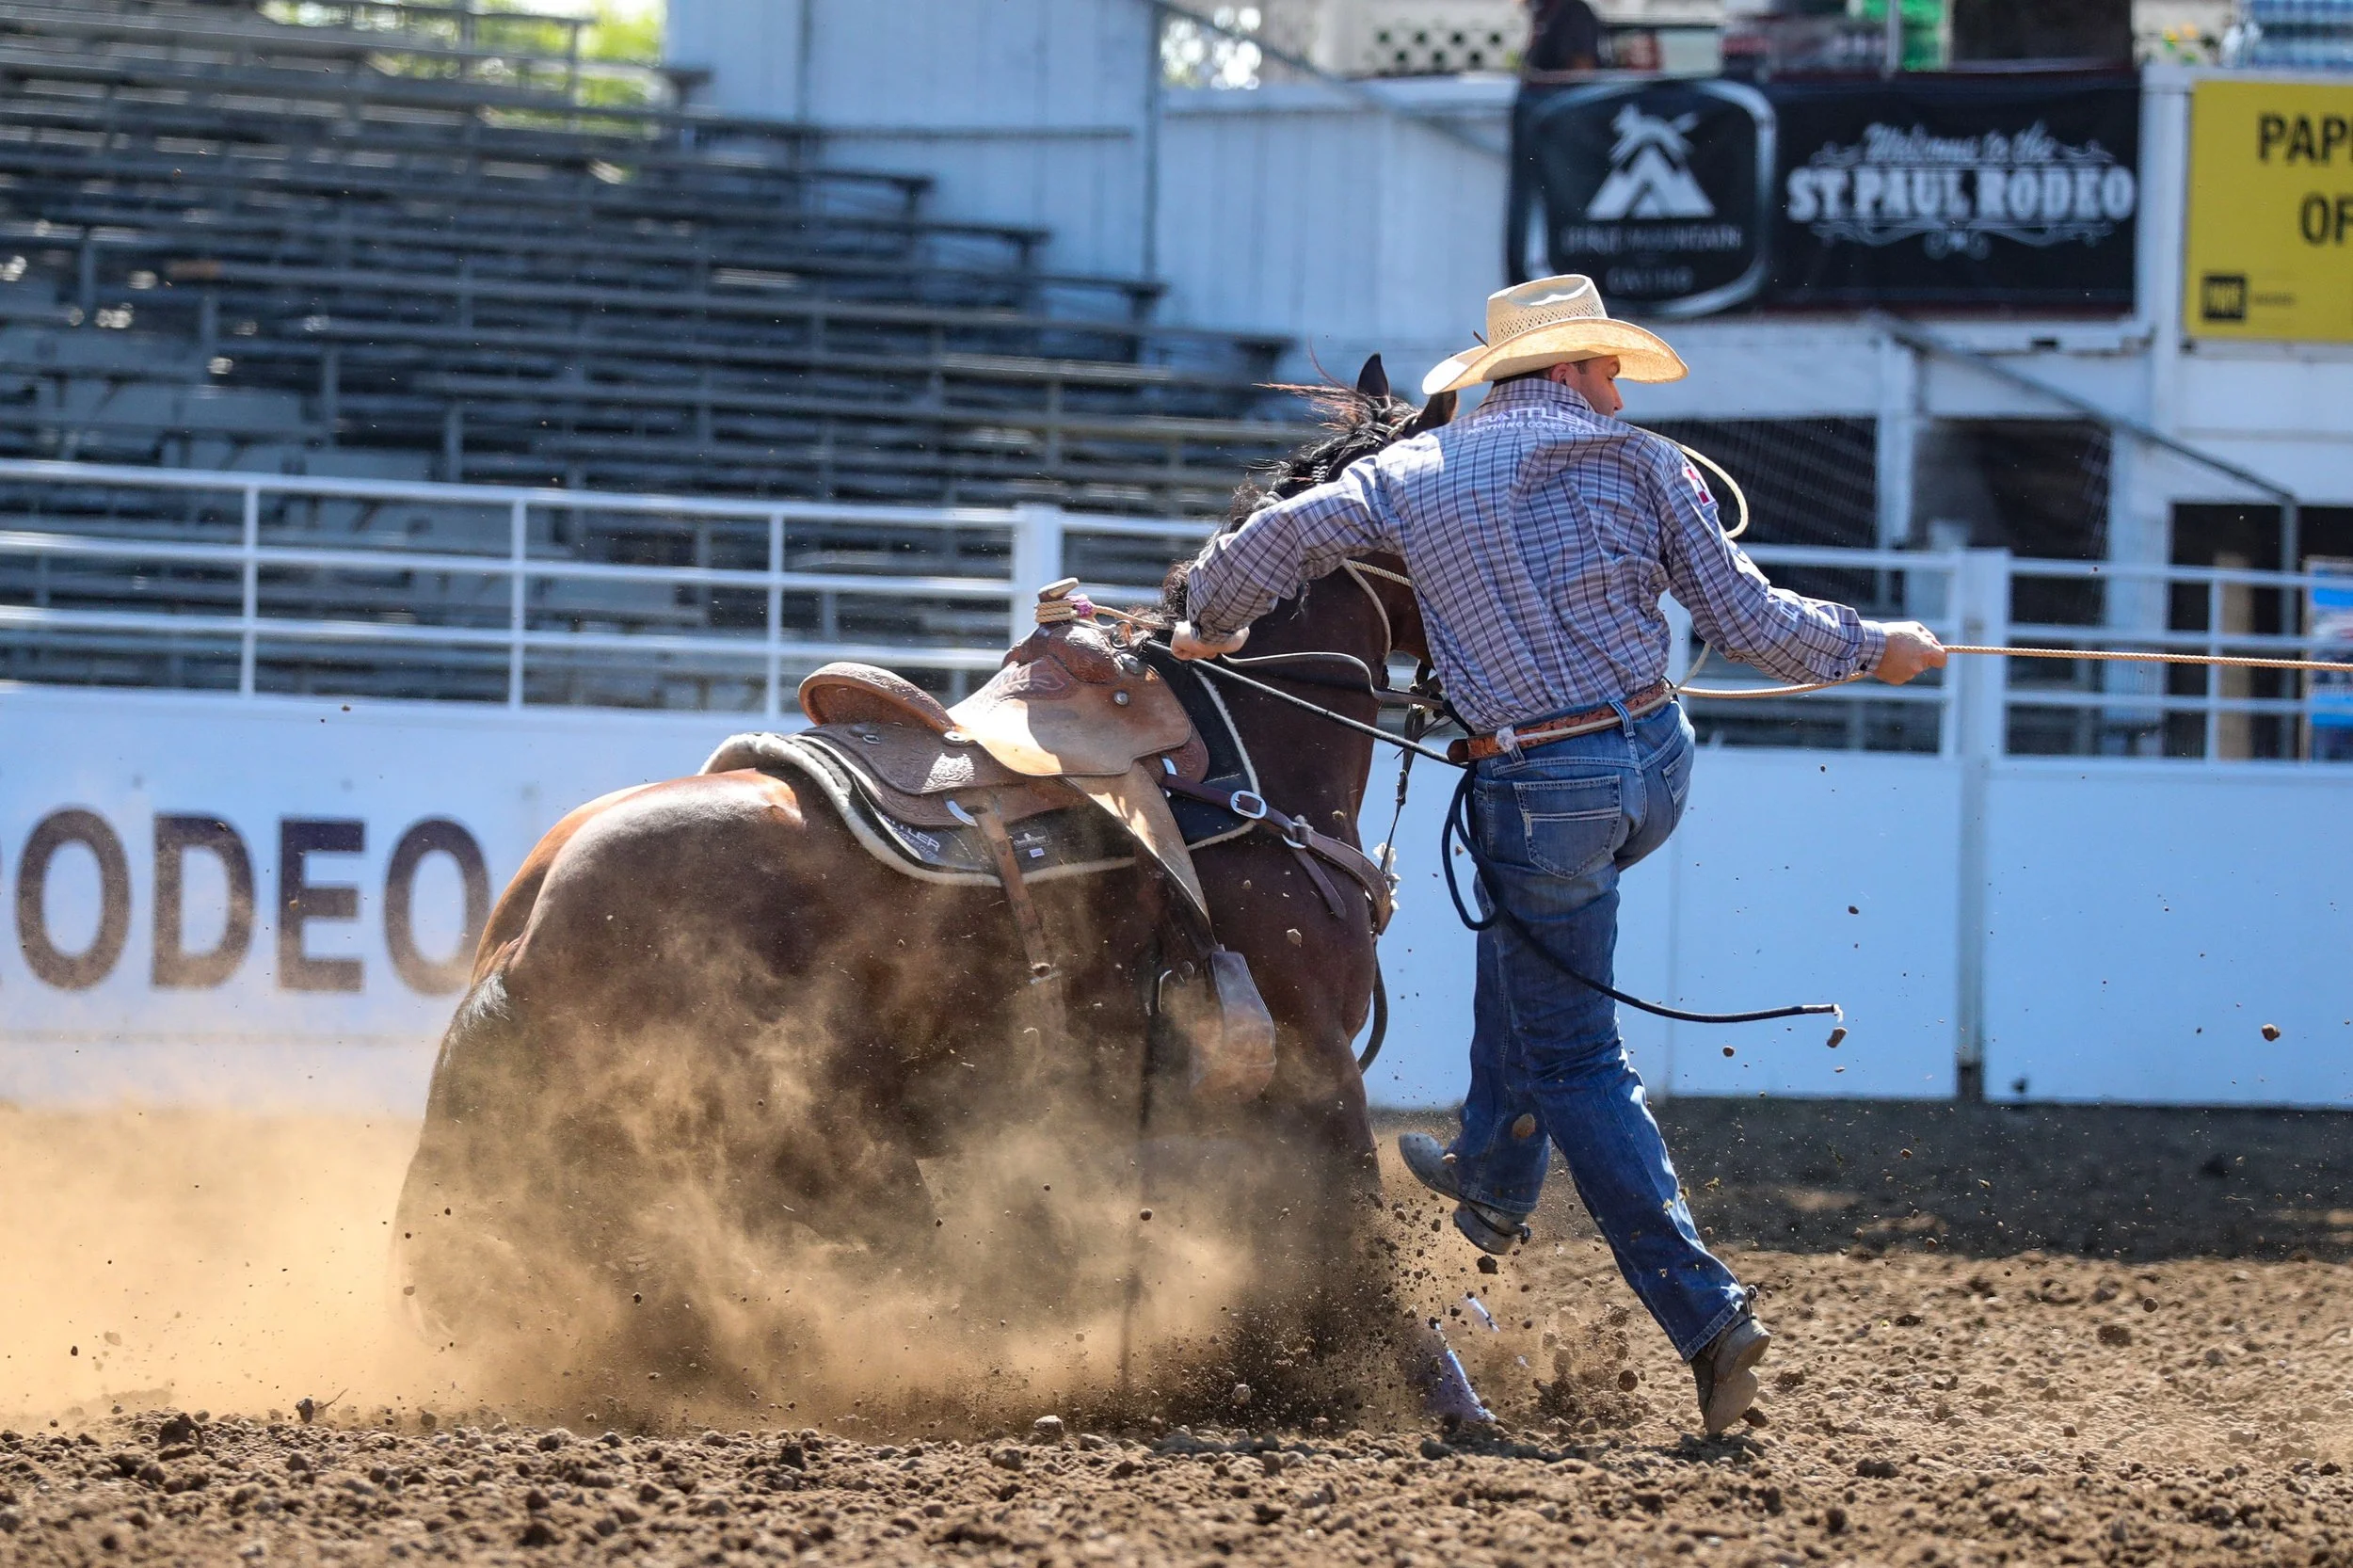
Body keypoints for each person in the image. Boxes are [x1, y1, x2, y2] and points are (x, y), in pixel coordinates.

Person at [1171, 275, 1945, 1435]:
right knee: (1538, 942)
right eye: (1607, 365)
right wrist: (1876, 645)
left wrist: (1210, 619)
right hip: (1655, 767)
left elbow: (1267, 543)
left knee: (1575, 1050)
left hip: (1542, 787)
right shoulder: (1649, 466)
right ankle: (1491, 1171)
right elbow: (1749, 623)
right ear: (1571, 368)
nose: (1617, 386)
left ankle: (1704, 1313)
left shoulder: (1409, 472)